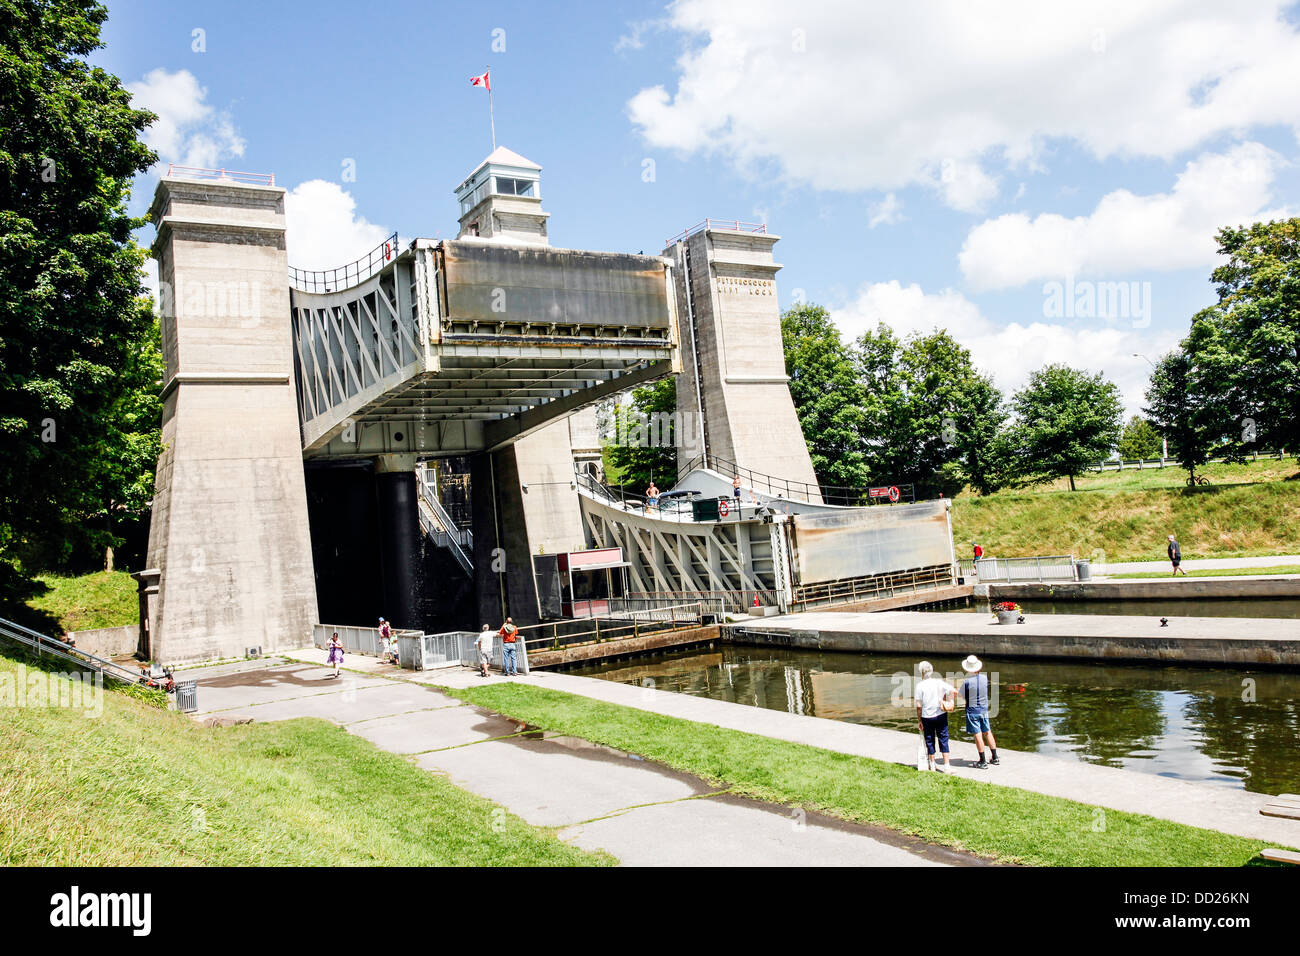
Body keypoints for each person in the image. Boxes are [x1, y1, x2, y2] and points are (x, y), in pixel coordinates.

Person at [913, 660, 956, 772]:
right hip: (941, 714)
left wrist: (919, 720)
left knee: (929, 739)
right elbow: (954, 691)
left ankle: (932, 764)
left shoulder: (919, 686)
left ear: (921, 673)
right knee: (943, 738)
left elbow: (918, 706)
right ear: (932, 671)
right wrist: (948, 700)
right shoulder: (939, 682)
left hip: (926, 717)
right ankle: (947, 766)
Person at [960, 654, 999, 768]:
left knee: (978, 735)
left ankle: (982, 761)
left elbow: (962, 695)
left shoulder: (967, 682)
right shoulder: (984, 678)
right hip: (984, 710)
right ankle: (995, 757)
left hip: (973, 711)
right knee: (988, 732)